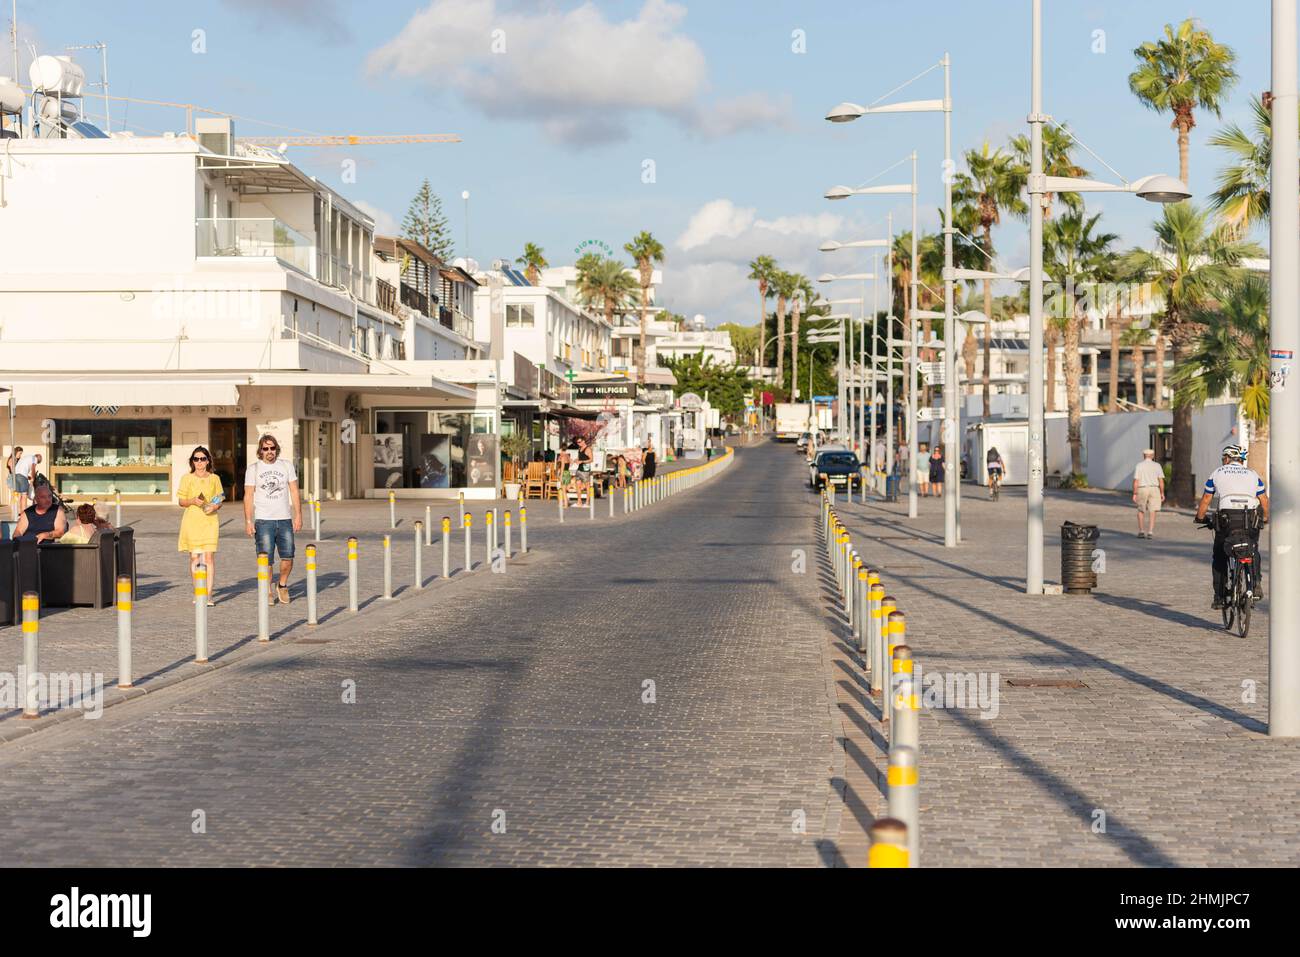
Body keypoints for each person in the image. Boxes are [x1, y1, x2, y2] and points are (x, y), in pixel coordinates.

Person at [1195, 444, 1269, 609]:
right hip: (1249, 518)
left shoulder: (1218, 472)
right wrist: (1264, 518)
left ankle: (1220, 596)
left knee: (1220, 555)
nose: (1223, 461)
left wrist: (1200, 518)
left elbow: (1207, 497)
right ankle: (1255, 584)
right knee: (1252, 548)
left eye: (1223, 458)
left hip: (1227, 519)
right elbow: (1264, 500)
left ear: (1228, 457)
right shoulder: (1253, 474)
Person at [243, 434, 302, 605]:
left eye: (272, 448)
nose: (269, 451)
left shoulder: (286, 466)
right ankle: (268, 589)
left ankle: (282, 585)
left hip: (284, 519)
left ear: (276, 449)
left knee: (288, 557)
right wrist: (248, 521)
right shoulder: (253, 469)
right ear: (260, 451)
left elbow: (294, 492)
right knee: (265, 558)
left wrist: (298, 515)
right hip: (263, 520)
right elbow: (248, 496)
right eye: (266, 448)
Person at [179, 445, 223, 605]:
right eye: (196, 459)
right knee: (195, 557)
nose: (199, 462)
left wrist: (215, 506)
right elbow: (181, 501)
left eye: (202, 459)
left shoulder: (214, 478)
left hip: (210, 521)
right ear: (192, 461)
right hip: (192, 521)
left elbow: (220, 496)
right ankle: (198, 591)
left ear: (208, 461)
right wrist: (192, 501)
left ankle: (209, 595)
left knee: (209, 557)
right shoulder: (187, 478)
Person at [1131, 448, 1166, 539]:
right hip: (1154, 489)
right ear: (1153, 456)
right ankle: (1150, 531)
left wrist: (1134, 493)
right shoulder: (1157, 465)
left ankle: (1141, 531)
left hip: (1142, 488)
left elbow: (1136, 481)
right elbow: (1161, 481)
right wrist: (1162, 493)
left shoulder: (1139, 466)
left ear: (1143, 456)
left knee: (1141, 510)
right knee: (1153, 511)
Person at [6, 446, 38, 520]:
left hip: (16, 478)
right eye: (19, 453)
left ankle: (18, 513)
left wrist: (27, 476)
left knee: (17, 496)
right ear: (15, 452)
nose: (20, 455)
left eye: (21, 454)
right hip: (13, 479)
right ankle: (15, 513)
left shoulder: (17, 460)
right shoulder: (12, 460)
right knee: (16, 496)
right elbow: (14, 471)